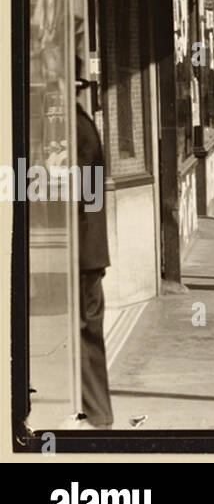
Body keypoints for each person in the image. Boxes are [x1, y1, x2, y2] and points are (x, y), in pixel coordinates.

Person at [75, 61, 113, 429]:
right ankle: (97, 412)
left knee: (86, 331)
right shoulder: (81, 121)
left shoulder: (73, 127)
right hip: (89, 246)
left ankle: (98, 415)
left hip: (82, 249)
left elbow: (84, 192)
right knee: (88, 331)